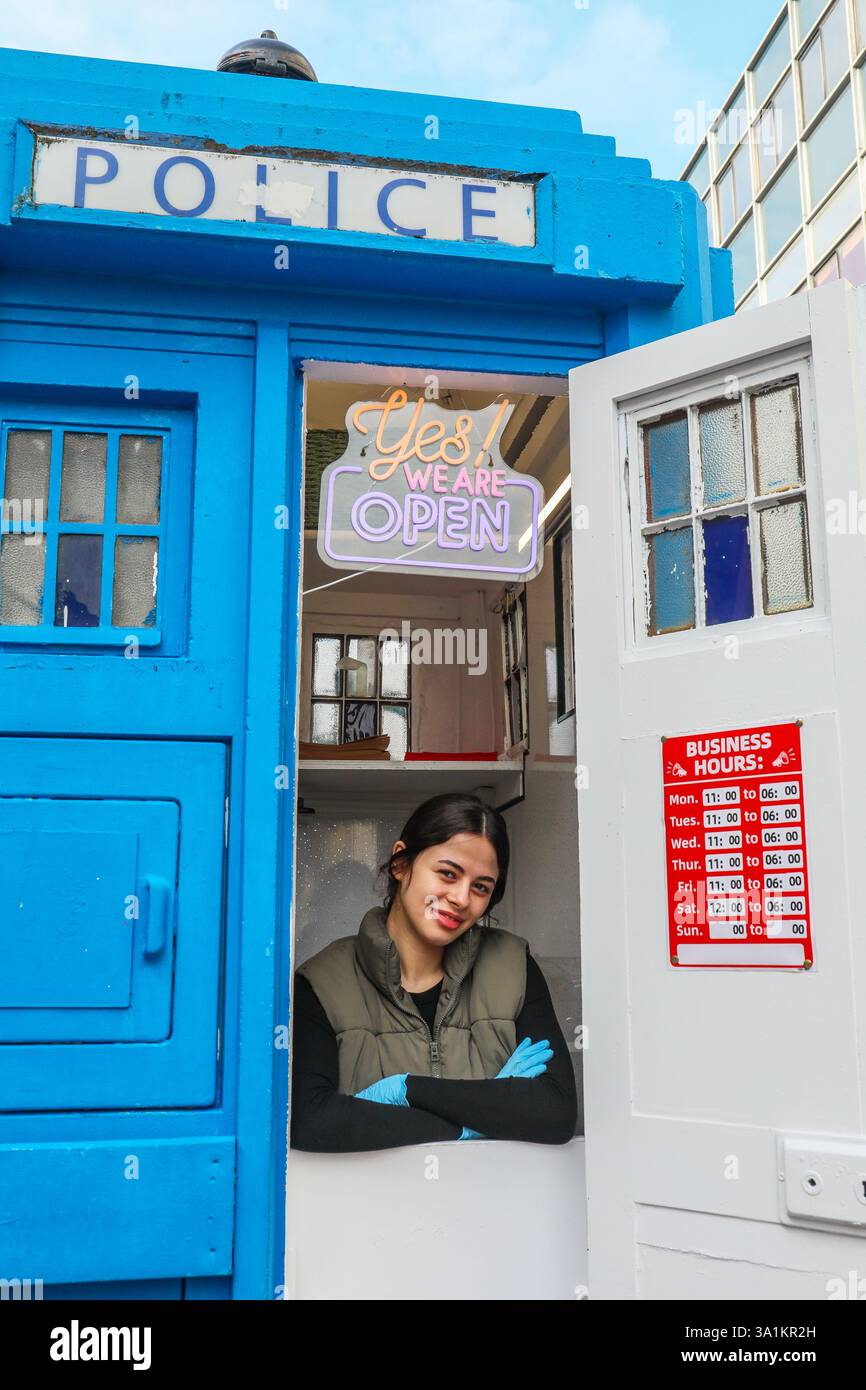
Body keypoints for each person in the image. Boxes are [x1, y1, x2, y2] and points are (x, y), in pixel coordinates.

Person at [290, 791, 579, 1152]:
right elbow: (311, 1122)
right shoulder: (322, 982)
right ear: (401, 864)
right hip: (370, 1204)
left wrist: (408, 1089)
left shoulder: (513, 966)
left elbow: (555, 1114)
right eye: (447, 873)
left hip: (498, 1204)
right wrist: (478, 1118)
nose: (461, 898)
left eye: (481, 887)